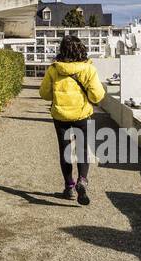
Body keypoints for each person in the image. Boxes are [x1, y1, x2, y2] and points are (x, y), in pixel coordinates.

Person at [38, 33, 106, 204]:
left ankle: (69, 187)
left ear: (62, 51)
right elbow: (97, 96)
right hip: (83, 115)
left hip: (60, 116)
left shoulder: (54, 69)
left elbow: (44, 94)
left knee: (65, 151)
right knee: (83, 150)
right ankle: (82, 180)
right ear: (81, 50)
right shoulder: (89, 69)